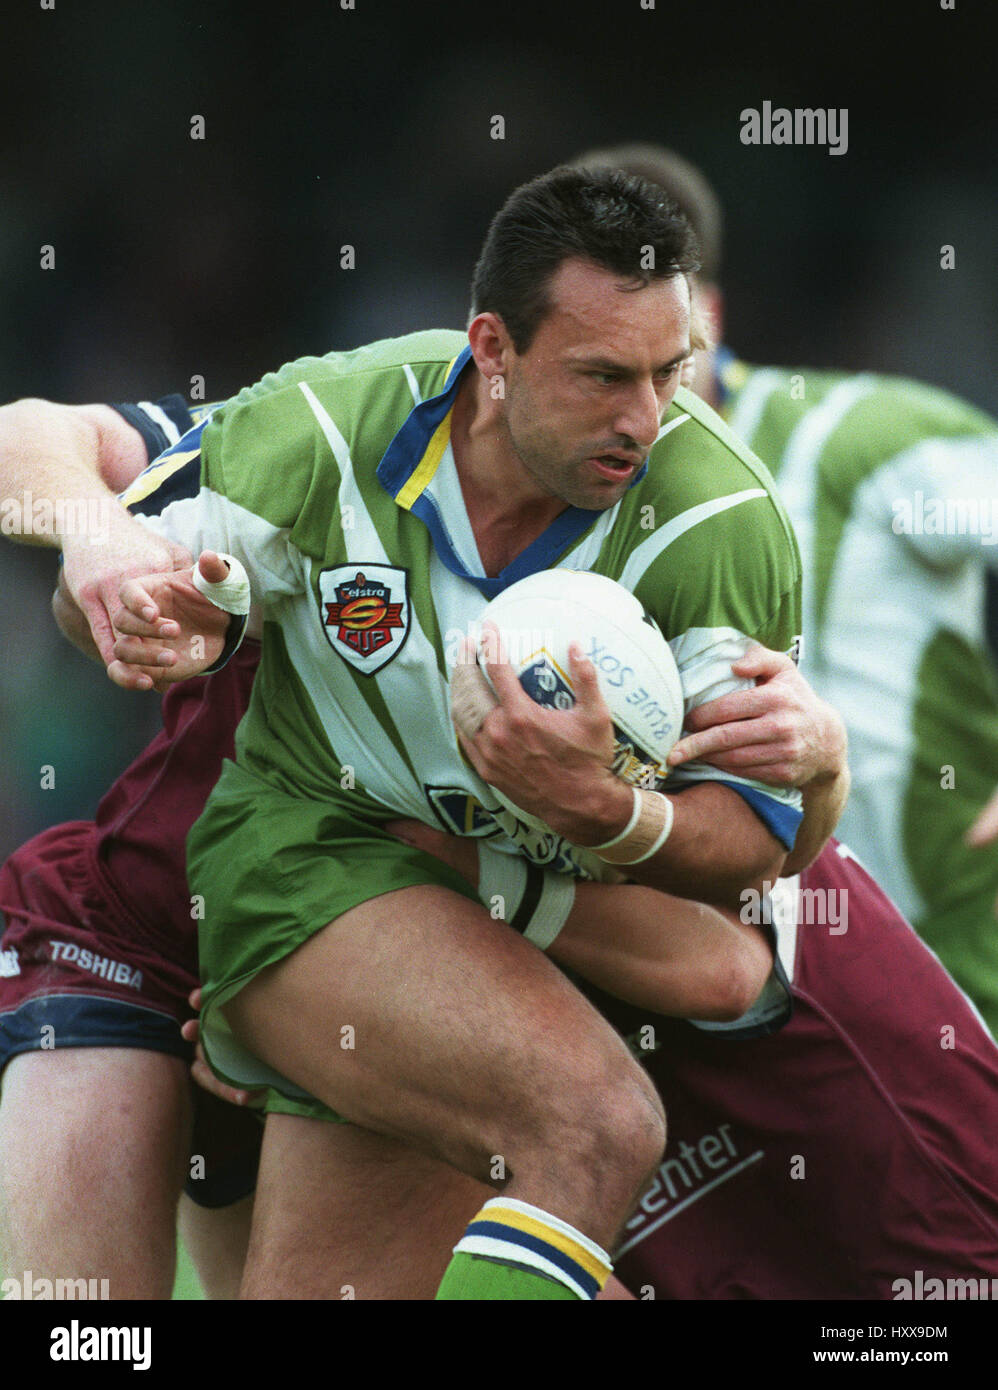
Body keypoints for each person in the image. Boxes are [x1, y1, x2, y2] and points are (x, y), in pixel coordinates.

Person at [75, 164, 830, 1301]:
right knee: (593, 1125)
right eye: (600, 375)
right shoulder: (326, 423)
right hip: (313, 855)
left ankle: (264, 1060)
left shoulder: (721, 518)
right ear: (491, 349)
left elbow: (751, 839)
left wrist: (609, 813)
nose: (644, 415)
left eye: (666, 373)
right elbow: (105, 555)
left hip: (510, 925)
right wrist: (129, 602)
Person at [573, 142, 998, 1036]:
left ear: (707, 316)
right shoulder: (543, 512)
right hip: (735, 1012)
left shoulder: (859, 440)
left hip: (961, 980)